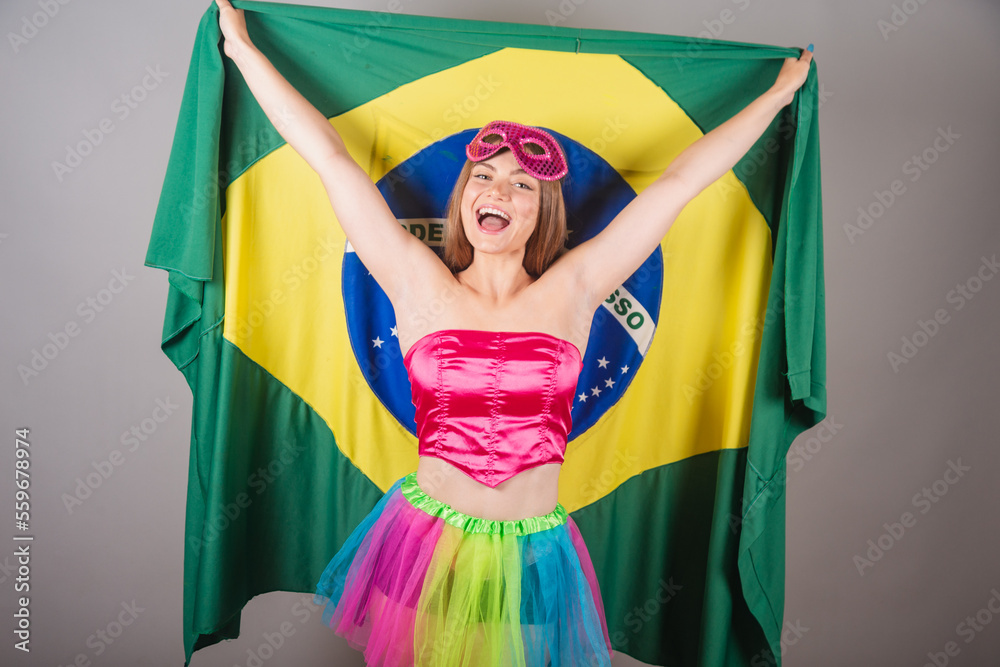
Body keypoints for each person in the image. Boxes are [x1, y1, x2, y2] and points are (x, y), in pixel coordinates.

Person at [214, 1, 813, 665]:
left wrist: (777, 96)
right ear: (465, 198)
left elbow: (678, 183)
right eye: (484, 176)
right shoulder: (417, 282)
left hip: (533, 553)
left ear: (540, 211)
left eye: (521, 182)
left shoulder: (577, 287)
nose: (497, 189)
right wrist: (243, 51)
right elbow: (328, 157)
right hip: (423, 547)